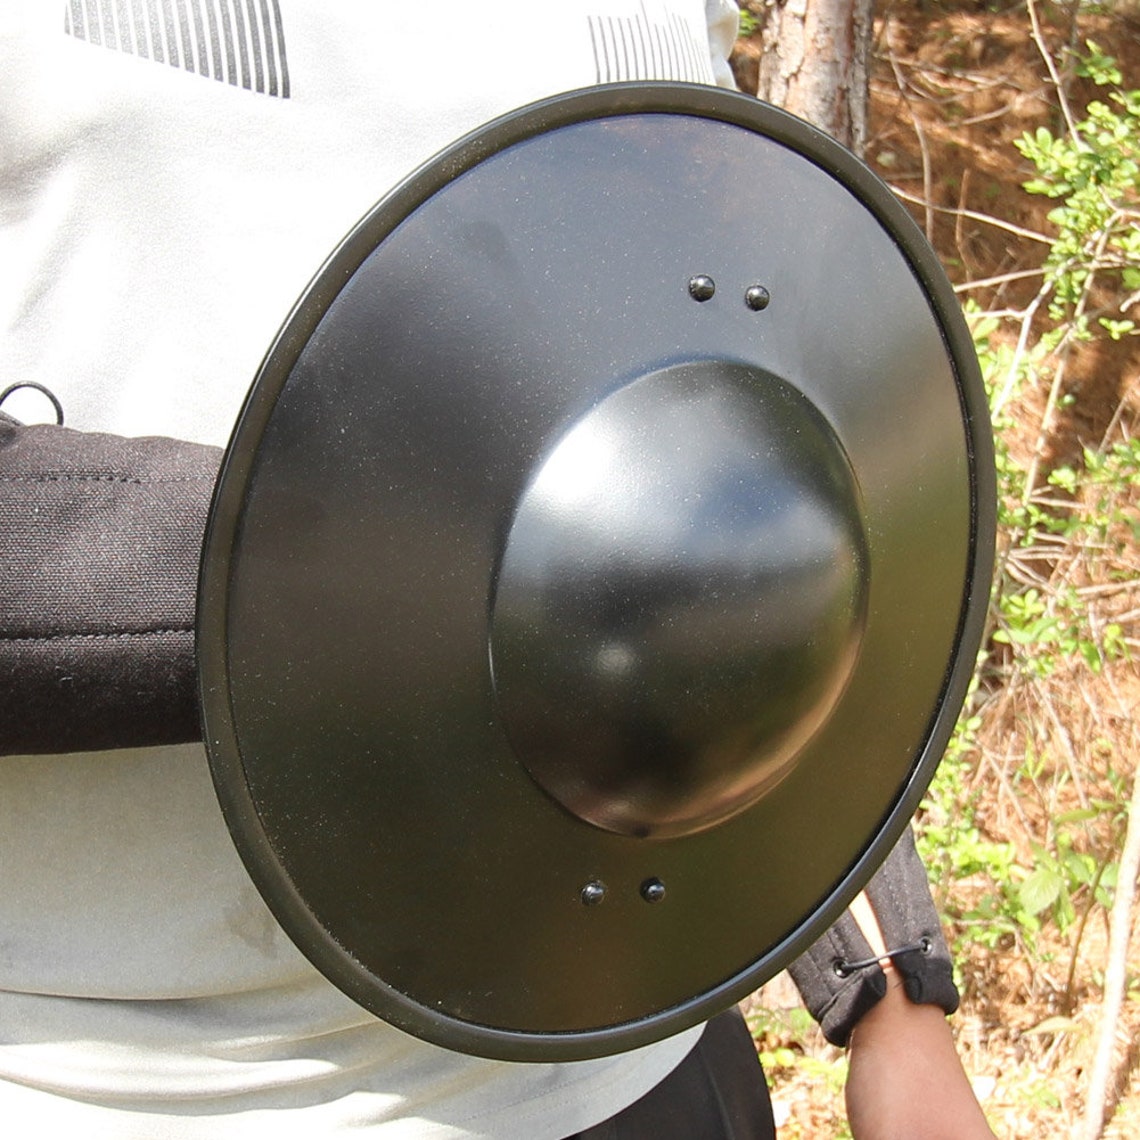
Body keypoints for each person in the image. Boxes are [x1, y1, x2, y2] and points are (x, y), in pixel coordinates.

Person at [0, 2, 995, 1136]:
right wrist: (372, 574)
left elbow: (715, 509)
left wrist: (892, 996)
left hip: (638, 1063)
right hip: (106, 1086)